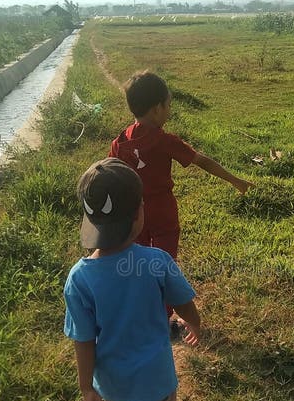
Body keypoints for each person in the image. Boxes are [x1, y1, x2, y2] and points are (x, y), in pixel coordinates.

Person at [63, 158, 200, 401]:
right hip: (154, 381)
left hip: (111, 381)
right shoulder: (156, 262)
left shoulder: (80, 278)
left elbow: (83, 340)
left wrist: (86, 386)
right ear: (140, 214)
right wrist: (195, 324)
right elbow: (183, 302)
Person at [108, 70, 252, 266]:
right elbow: (203, 161)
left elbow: (109, 175)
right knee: (165, 262)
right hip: (163, 212)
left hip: (134, 214)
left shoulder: (120, 142)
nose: (169, 110)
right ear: (156, 109)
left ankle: (145, 291)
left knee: (140, 260)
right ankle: (167, 292)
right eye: (168, 105)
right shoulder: (165, 141)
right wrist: (236, 181)